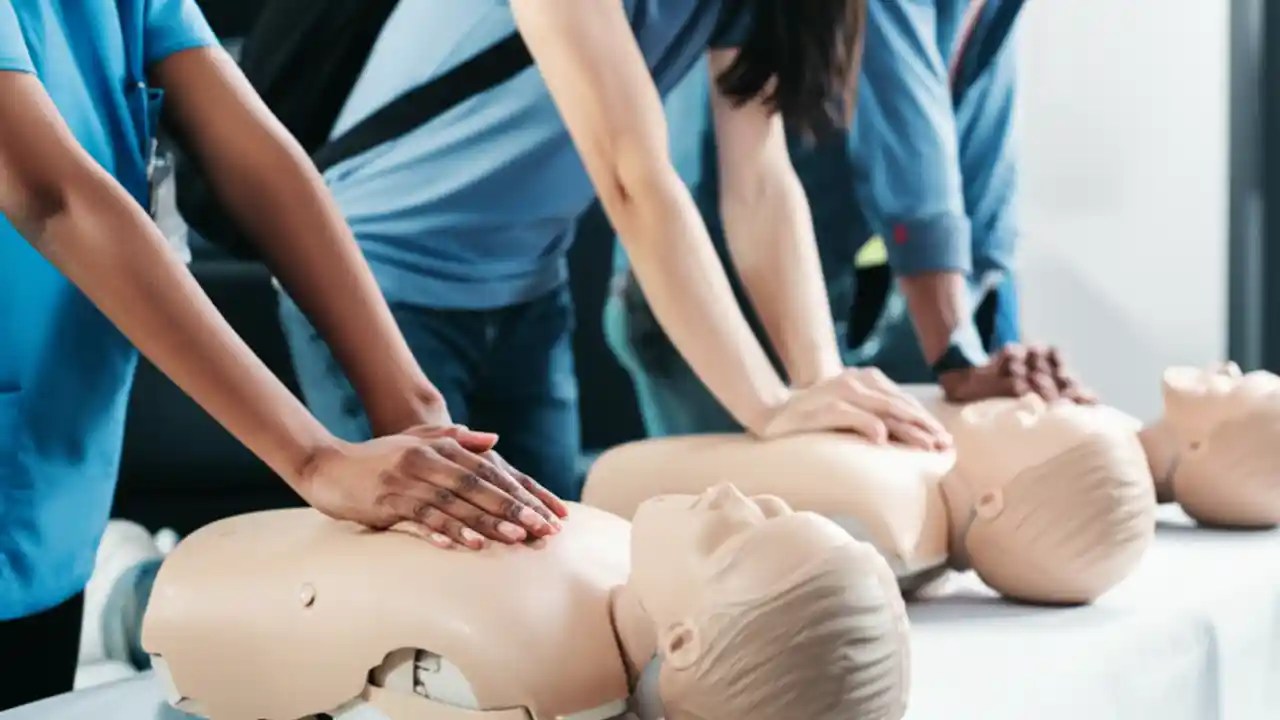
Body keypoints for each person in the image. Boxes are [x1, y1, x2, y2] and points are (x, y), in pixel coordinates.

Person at [0, 1, 562, 709]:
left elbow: (254, 155)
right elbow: (48, 192)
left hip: (47, 467)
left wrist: (416, 417)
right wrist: (315, 459)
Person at [280, 0, 952, 505]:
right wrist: (769, 406)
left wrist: (821, 382)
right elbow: (634, 176)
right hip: (372, 279)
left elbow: (761, 182)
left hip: (526, 289)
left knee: (548, 557)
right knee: (419, 583)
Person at [606, 0, 1093, 438]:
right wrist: (956, 352)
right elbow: (905, 132)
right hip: (704, 279)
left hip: (825, 281)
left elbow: (987, 162)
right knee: (736, 519)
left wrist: (997, 346)